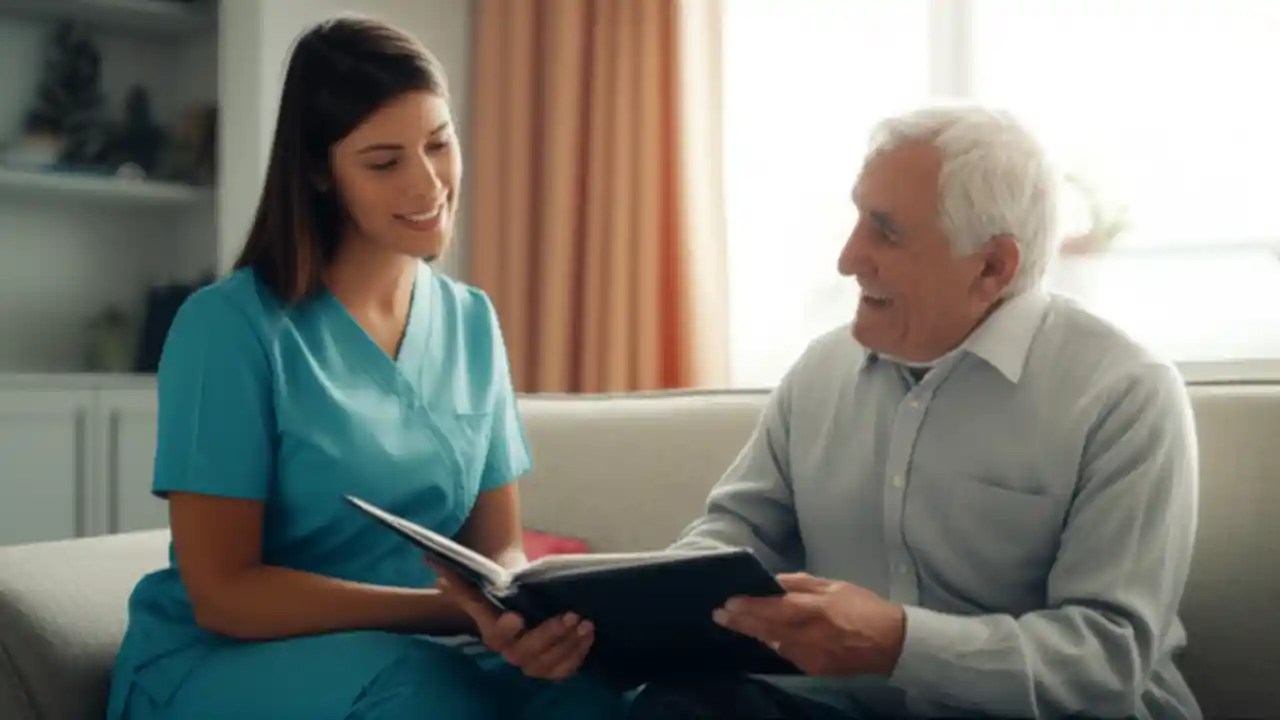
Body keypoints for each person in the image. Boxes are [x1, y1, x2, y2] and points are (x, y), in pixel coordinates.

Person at [106, 15, 624, 720]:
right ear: (320, 173)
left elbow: (497, 548)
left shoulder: (471, 322)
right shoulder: (227, 328)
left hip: (420, 647)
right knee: (422, 695)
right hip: (225, 660)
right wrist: (447, 614)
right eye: (384, 163)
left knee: (589, 695)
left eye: (439, 143)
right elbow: (225, 594)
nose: (429, 183)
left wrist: (520, 618)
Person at [628, 105, 1201, 719]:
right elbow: (738, 534)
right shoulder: (821, 372)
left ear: (992, 266)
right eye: (857, 220)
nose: (848, 258)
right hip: (850, 709)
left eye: (887, 232)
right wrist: (620, 614)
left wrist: (899, 642)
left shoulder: (1123, 394)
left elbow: (1108, 660)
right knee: (670, 706)